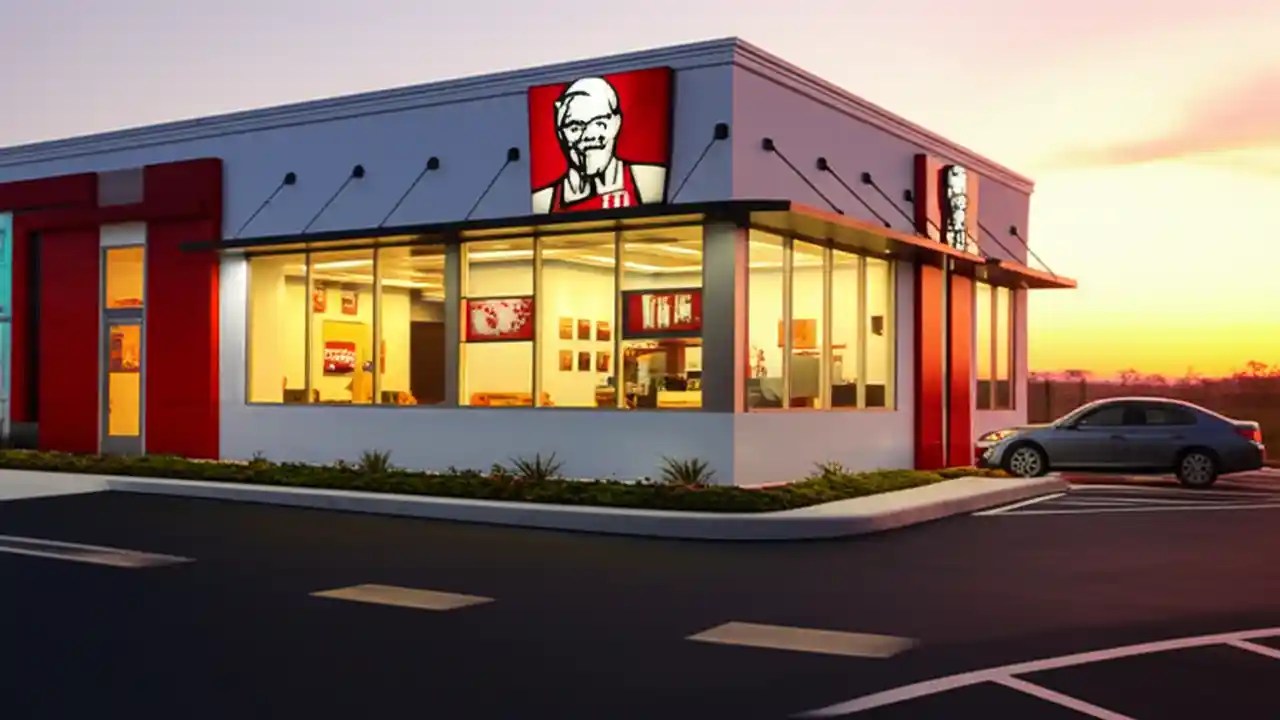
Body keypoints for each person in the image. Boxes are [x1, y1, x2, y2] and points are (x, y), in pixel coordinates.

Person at [532, 76, 666, 214]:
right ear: (561, 134)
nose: (588, 136)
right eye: (575, 127)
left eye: (599, 123)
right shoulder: (544, 200)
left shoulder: (646, 181)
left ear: (616, 123)